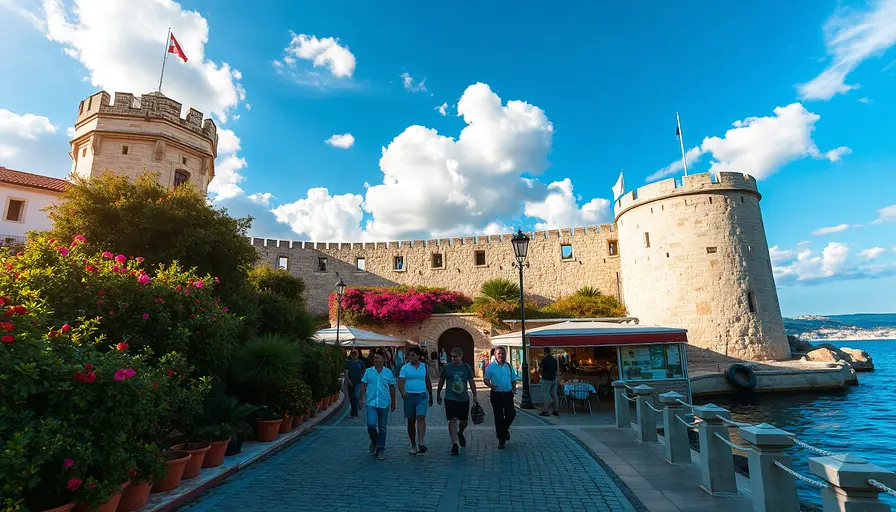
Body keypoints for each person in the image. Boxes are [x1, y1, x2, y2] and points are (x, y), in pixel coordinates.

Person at [437, 347, 479, 456]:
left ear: (461, 357)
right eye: (451, 356)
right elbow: (441, 380)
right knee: (452, 419)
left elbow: (471, 381)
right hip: (450, 397)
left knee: (464, 421)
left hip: (463, 398)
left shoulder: (466, 367)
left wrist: (475, 395)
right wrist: (438, 393)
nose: (452, 358)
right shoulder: (447, 367)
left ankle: (460, 433)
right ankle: (455, 444)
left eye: (455, 356)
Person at [359, 349, 396, 460]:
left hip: (384, 403)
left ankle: (380, 449)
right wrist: (360, 398)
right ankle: (374, 441)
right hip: (371, 402)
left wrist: (393, 401)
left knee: (382, 428)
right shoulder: (369, 371)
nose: (375, 359)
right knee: (371, 424)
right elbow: (363, 386)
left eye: (377, 358)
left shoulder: (388, 372)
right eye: (374, 357)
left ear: (383, 360)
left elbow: (392, 387)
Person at [398, 346, 433, 455]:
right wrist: (402, 392)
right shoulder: (405, 368)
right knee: (411, 421)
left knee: (421, 417)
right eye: (410, 355)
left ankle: (421, 442)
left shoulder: (425, 367)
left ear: (418, 356)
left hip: (422, 395)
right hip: (409, 396)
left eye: (413, 355)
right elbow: (401, 381)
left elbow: (428, 381)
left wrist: (431, 395)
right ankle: (413, 444)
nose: (411, 357)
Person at [483, 346, 519, 449]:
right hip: (496, 394)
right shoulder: (491, 367)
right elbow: (486, 380)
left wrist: (514, 389)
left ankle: (504, 430)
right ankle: (501, 440)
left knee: (511, 414)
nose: (501, 356)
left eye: (503, 354)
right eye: (499, 354)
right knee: (498, 417)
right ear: (495, 355)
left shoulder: (508, 366)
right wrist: (491, 386)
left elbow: (513, 378)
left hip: (508, 394)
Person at [344, 349, 366, 419]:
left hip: (358, 382)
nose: (354, 356)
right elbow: (346, 372)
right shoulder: (349, 363)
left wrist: (363, 379)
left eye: (355, 354)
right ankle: (353, 411)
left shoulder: (361, 363)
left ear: (358, 354)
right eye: (353, 354)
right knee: (351, 397)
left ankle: (355, 414)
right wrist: (348, 380)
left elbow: (364, 371)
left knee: (356, 396)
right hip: (350, 382)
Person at [538, 347, 560, 417]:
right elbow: (556, 370)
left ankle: (546, 411)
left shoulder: (544, 360)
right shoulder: (554, 360)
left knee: (546, 394)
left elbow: (540, 370)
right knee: (554, 394)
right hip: (554, 379)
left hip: (546, 379)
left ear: (544, 352)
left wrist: (540, 373)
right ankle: (556, 410)